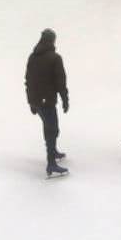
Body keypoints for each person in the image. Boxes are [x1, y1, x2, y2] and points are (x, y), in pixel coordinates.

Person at [24, 29, 70, 177]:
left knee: (49, 127)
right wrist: (65, 99)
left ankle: (53, 151)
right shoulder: (55, 58)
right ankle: (51, 163)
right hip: (47, 101)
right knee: (53, 130)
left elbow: (28, 80)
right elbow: (60, 82)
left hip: (36, 101)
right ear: (52, 41)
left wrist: (30, 102)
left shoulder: (32, 57)